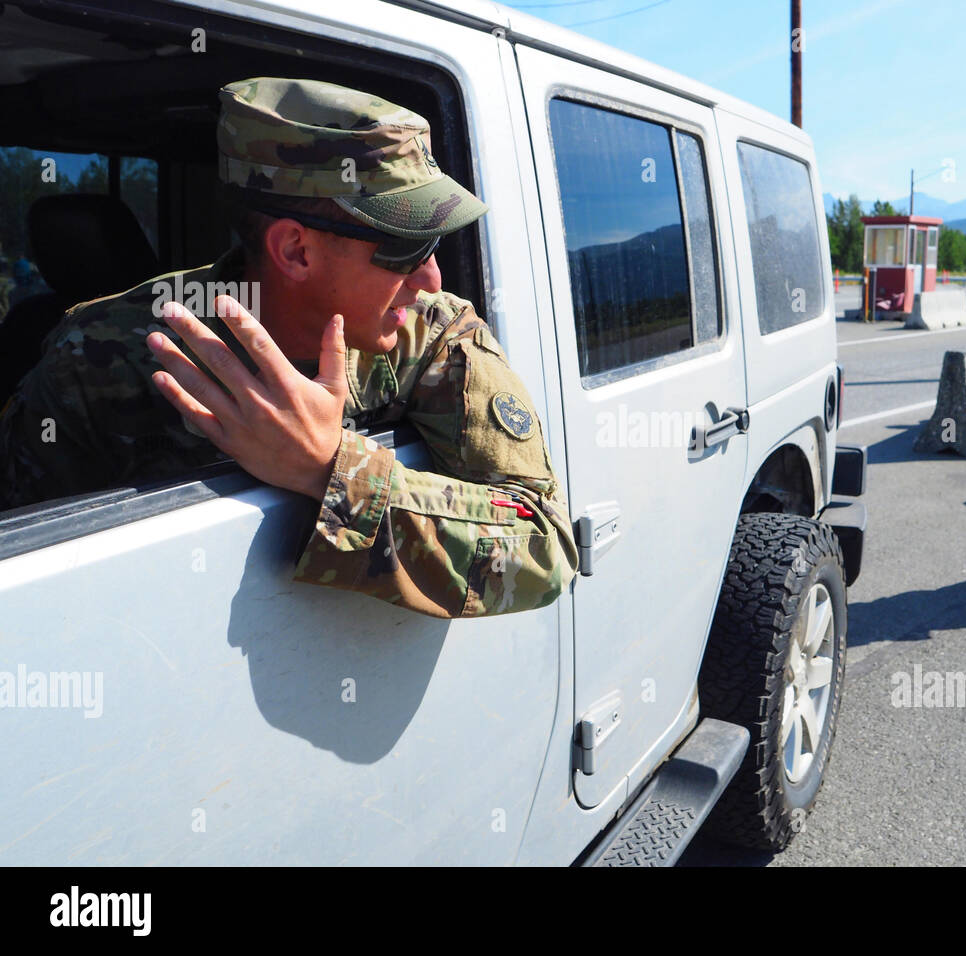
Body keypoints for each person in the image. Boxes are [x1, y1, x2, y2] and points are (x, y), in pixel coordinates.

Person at [0, 77, 577, 619]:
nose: (431, 279)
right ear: (296, 251)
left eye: (436, 243)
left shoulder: (431, 333)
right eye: (405, 246)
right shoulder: (100, 357)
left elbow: (546, 551)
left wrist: (331, 469)